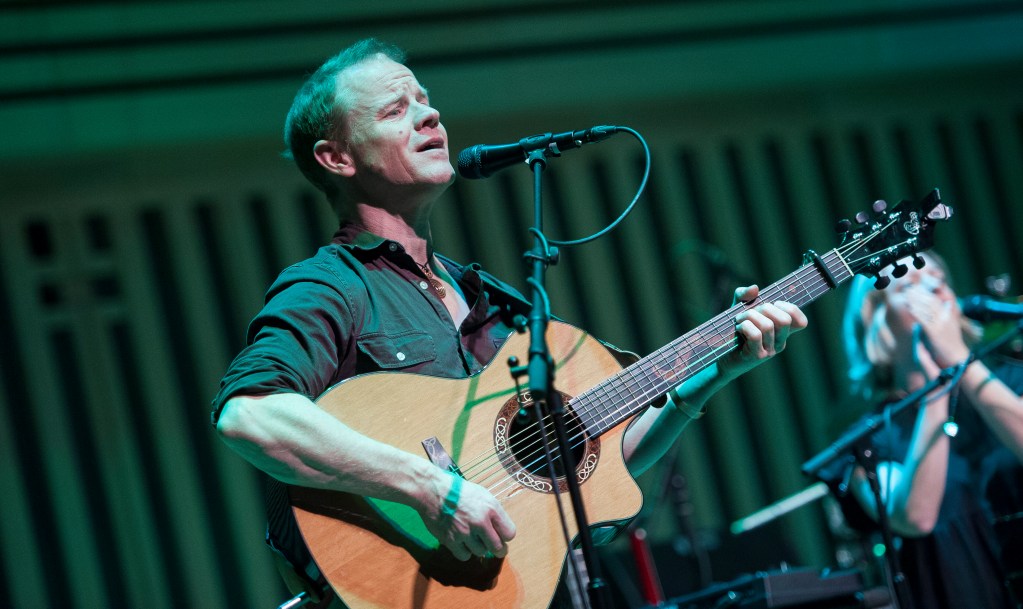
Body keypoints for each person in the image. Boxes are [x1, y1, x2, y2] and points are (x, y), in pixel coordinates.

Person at [211, 38, 808, 608]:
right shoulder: (331, 286)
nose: (430, 114)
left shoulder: (490, 299)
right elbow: (248, 413)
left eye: (425, 101)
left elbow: (602, 446)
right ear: (336, 157)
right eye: (397, 108)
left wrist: (718, 368)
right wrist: (428, 488)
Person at [827, 251, 1023, 609]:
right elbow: (915, 517)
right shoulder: (869, 437)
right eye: (911, 285)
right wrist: (936, 388)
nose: (934, 289)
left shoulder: (1010, 381)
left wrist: (961, 362)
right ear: (877, 317)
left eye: (939, 280)